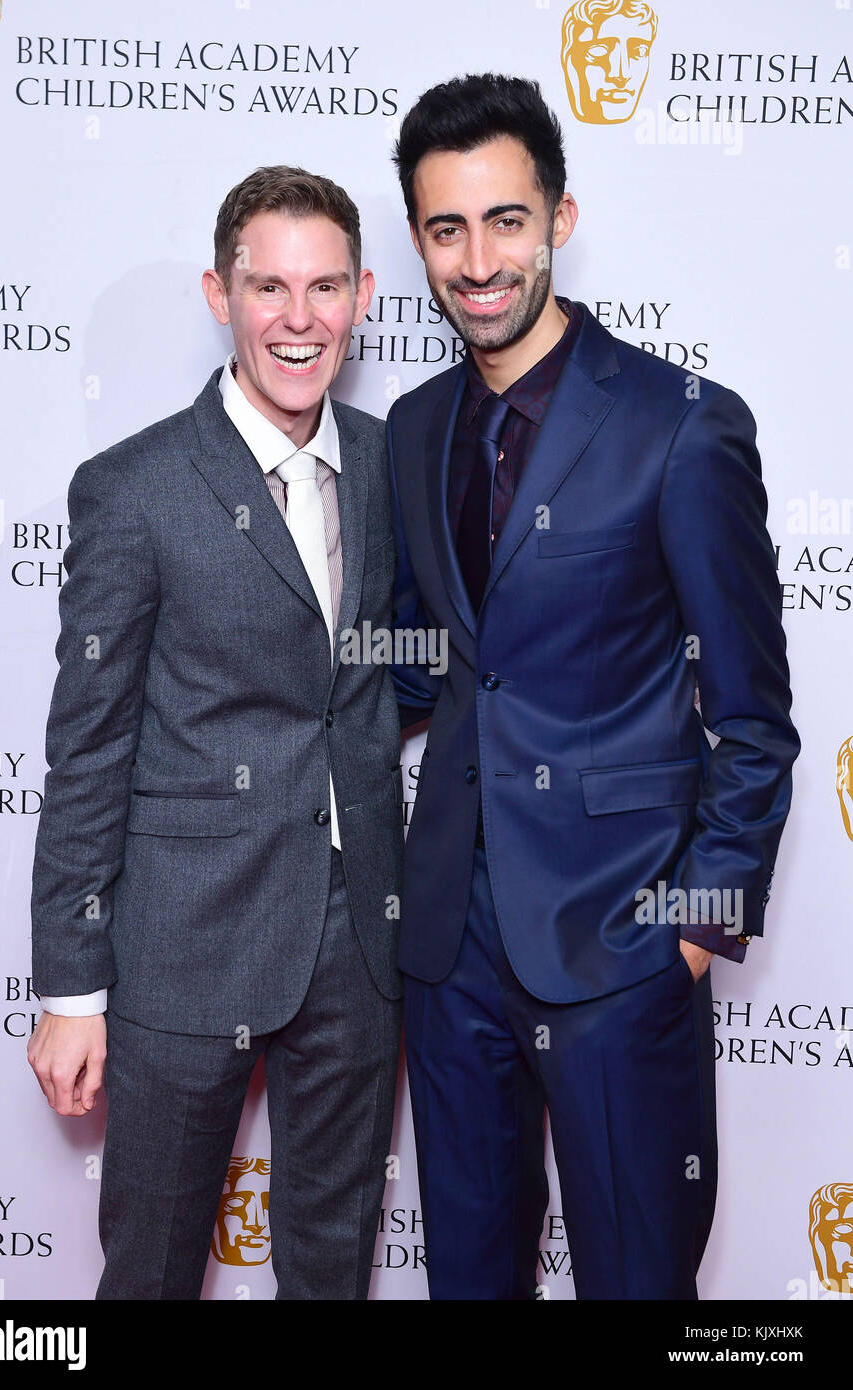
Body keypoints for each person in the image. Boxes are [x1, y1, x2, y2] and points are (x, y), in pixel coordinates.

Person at [387, 72, 800, 1299]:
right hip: (449, 949)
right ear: (418, 240)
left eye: (505, 220)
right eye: (447, 229)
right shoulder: (413, 426)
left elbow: (753, 718)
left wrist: (694, 934)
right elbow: (422, 662)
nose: (478, 261)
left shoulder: (681, 424)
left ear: (560, 218)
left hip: (623, 944)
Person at [28, 165, 404, 1300]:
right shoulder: (134, 488)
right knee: (150, 1268)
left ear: (363, 296)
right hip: (184, 943)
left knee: (332, 1268)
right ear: (219, 294)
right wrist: (71, 991)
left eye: (325, 286)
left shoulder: (392, 466)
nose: (299, 318)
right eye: (269, 287)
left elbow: (393, 676)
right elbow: (88, 746)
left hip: (359, 942)